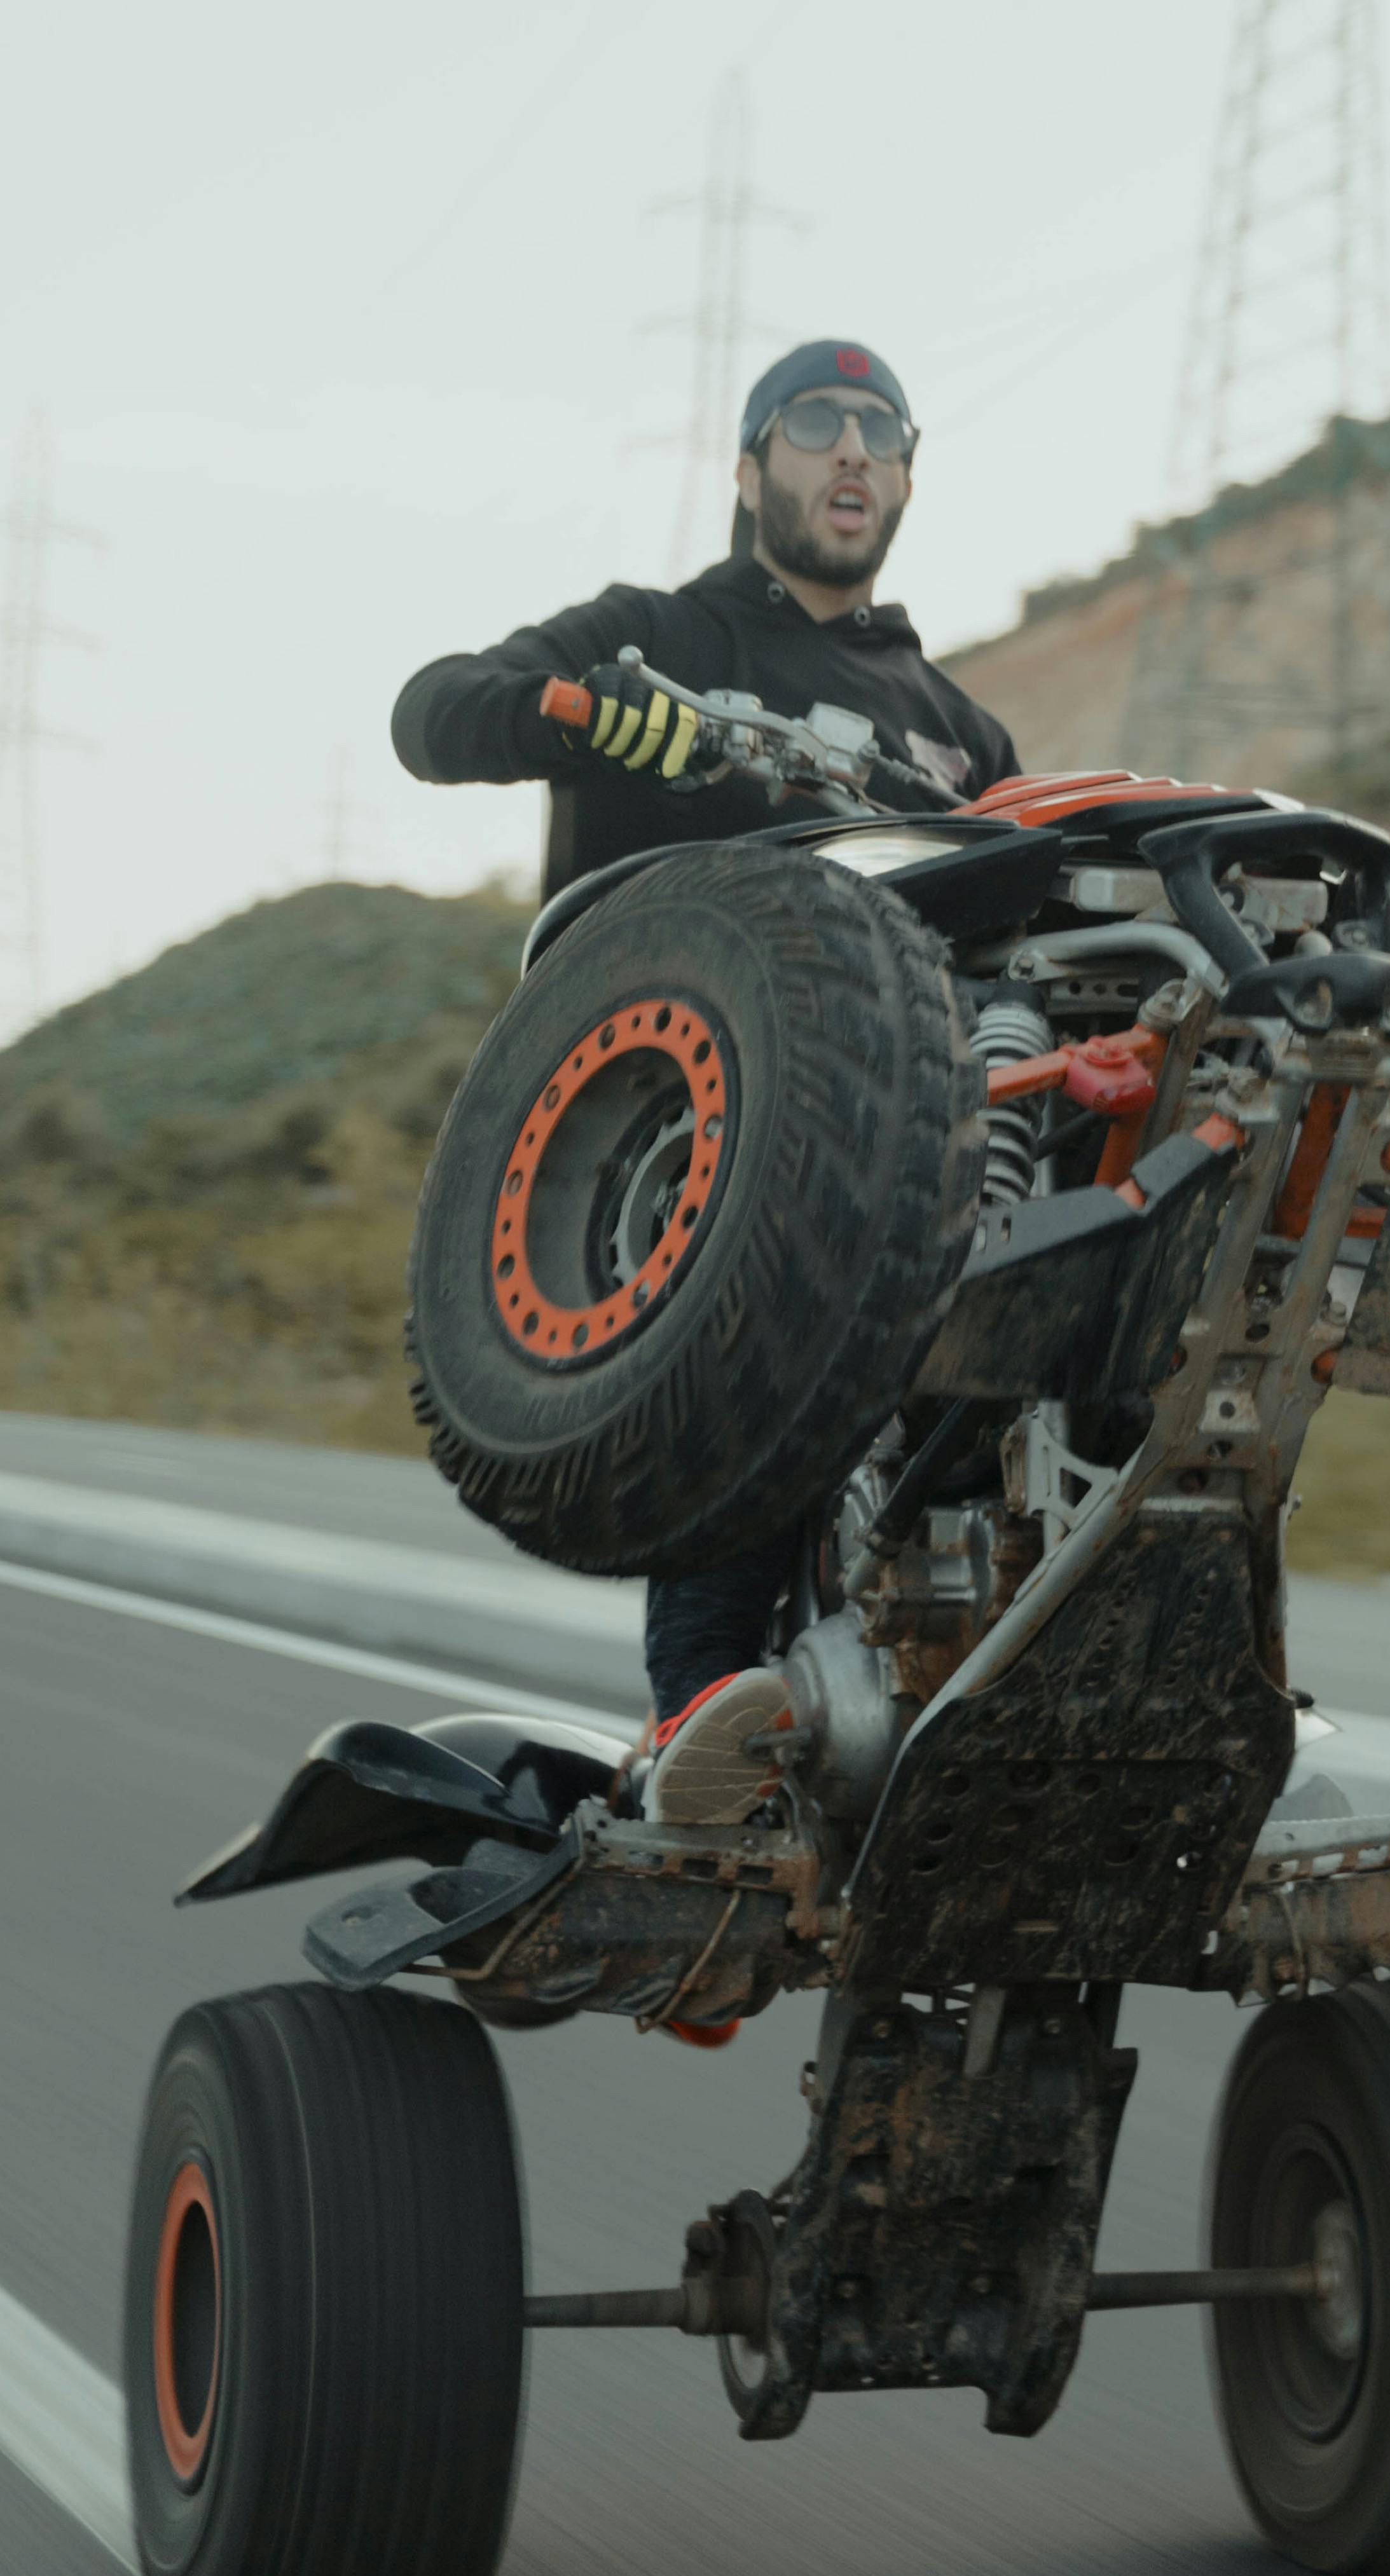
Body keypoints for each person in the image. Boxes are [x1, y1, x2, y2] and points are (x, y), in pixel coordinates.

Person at [394, 339, 1019, 1817]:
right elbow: (435, 710)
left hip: (920, 1120)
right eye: (816, 423)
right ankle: (706, 1733)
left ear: (910, 477)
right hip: (680, 1115)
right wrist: (591, 712)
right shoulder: (659, 632)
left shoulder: (961, 729)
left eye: (882, 430)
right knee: (762, 1314)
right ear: (752, 472)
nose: (852, 451)